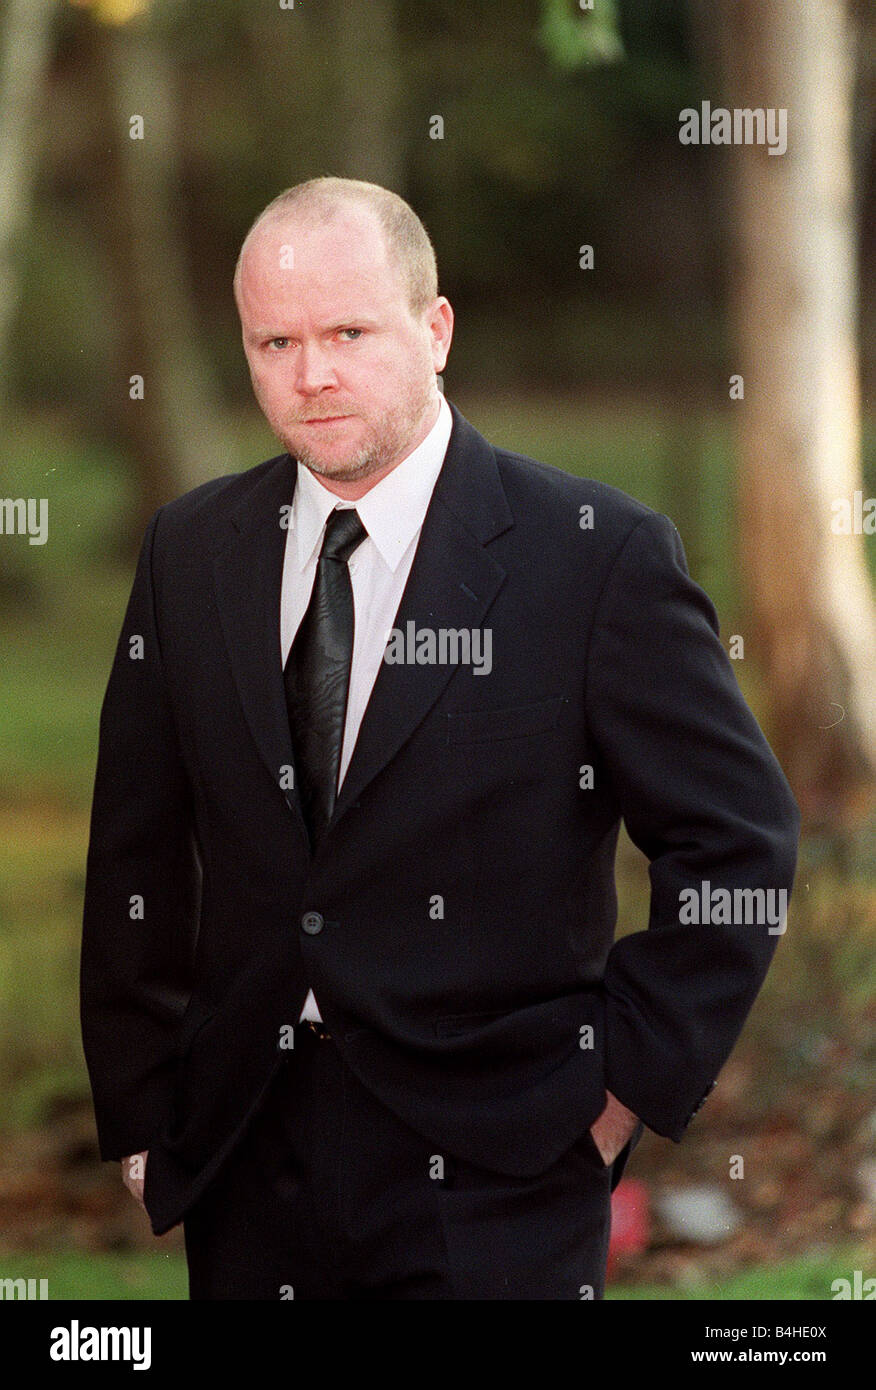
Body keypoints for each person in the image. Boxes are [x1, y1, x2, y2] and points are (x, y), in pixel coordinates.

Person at [80, 176, 799, 1300]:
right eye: (275, 340)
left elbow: (738, 845)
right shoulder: (189, 552)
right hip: (246, 1159)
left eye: (348, 332)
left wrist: (616, 1100)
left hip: (501, 1165)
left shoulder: (593, 557)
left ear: (436, 329)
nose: (311, 373)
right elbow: (136, 855)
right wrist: (137, 1117)